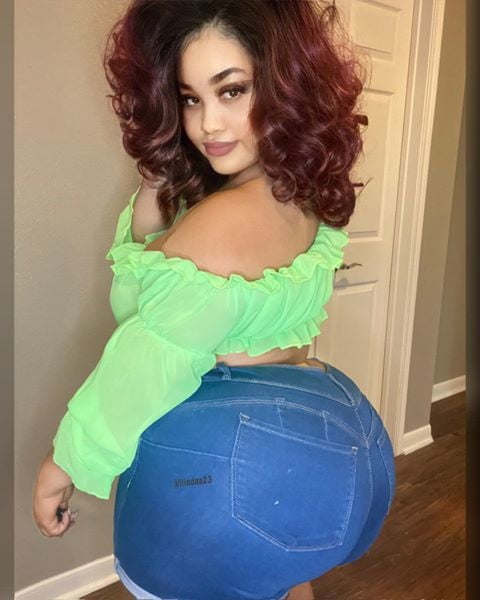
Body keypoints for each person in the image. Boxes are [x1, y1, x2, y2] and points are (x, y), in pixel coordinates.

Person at [32, 1, 396, 599]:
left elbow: (144, 362)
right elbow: (159, 262)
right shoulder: (300, 194)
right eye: (190, 98)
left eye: (232, 90)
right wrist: (157, 174)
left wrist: (62, 465)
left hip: (224, 477)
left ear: (285, 83)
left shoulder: (222, 225)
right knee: (282, 584)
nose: (208, 125)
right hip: (312, 449)